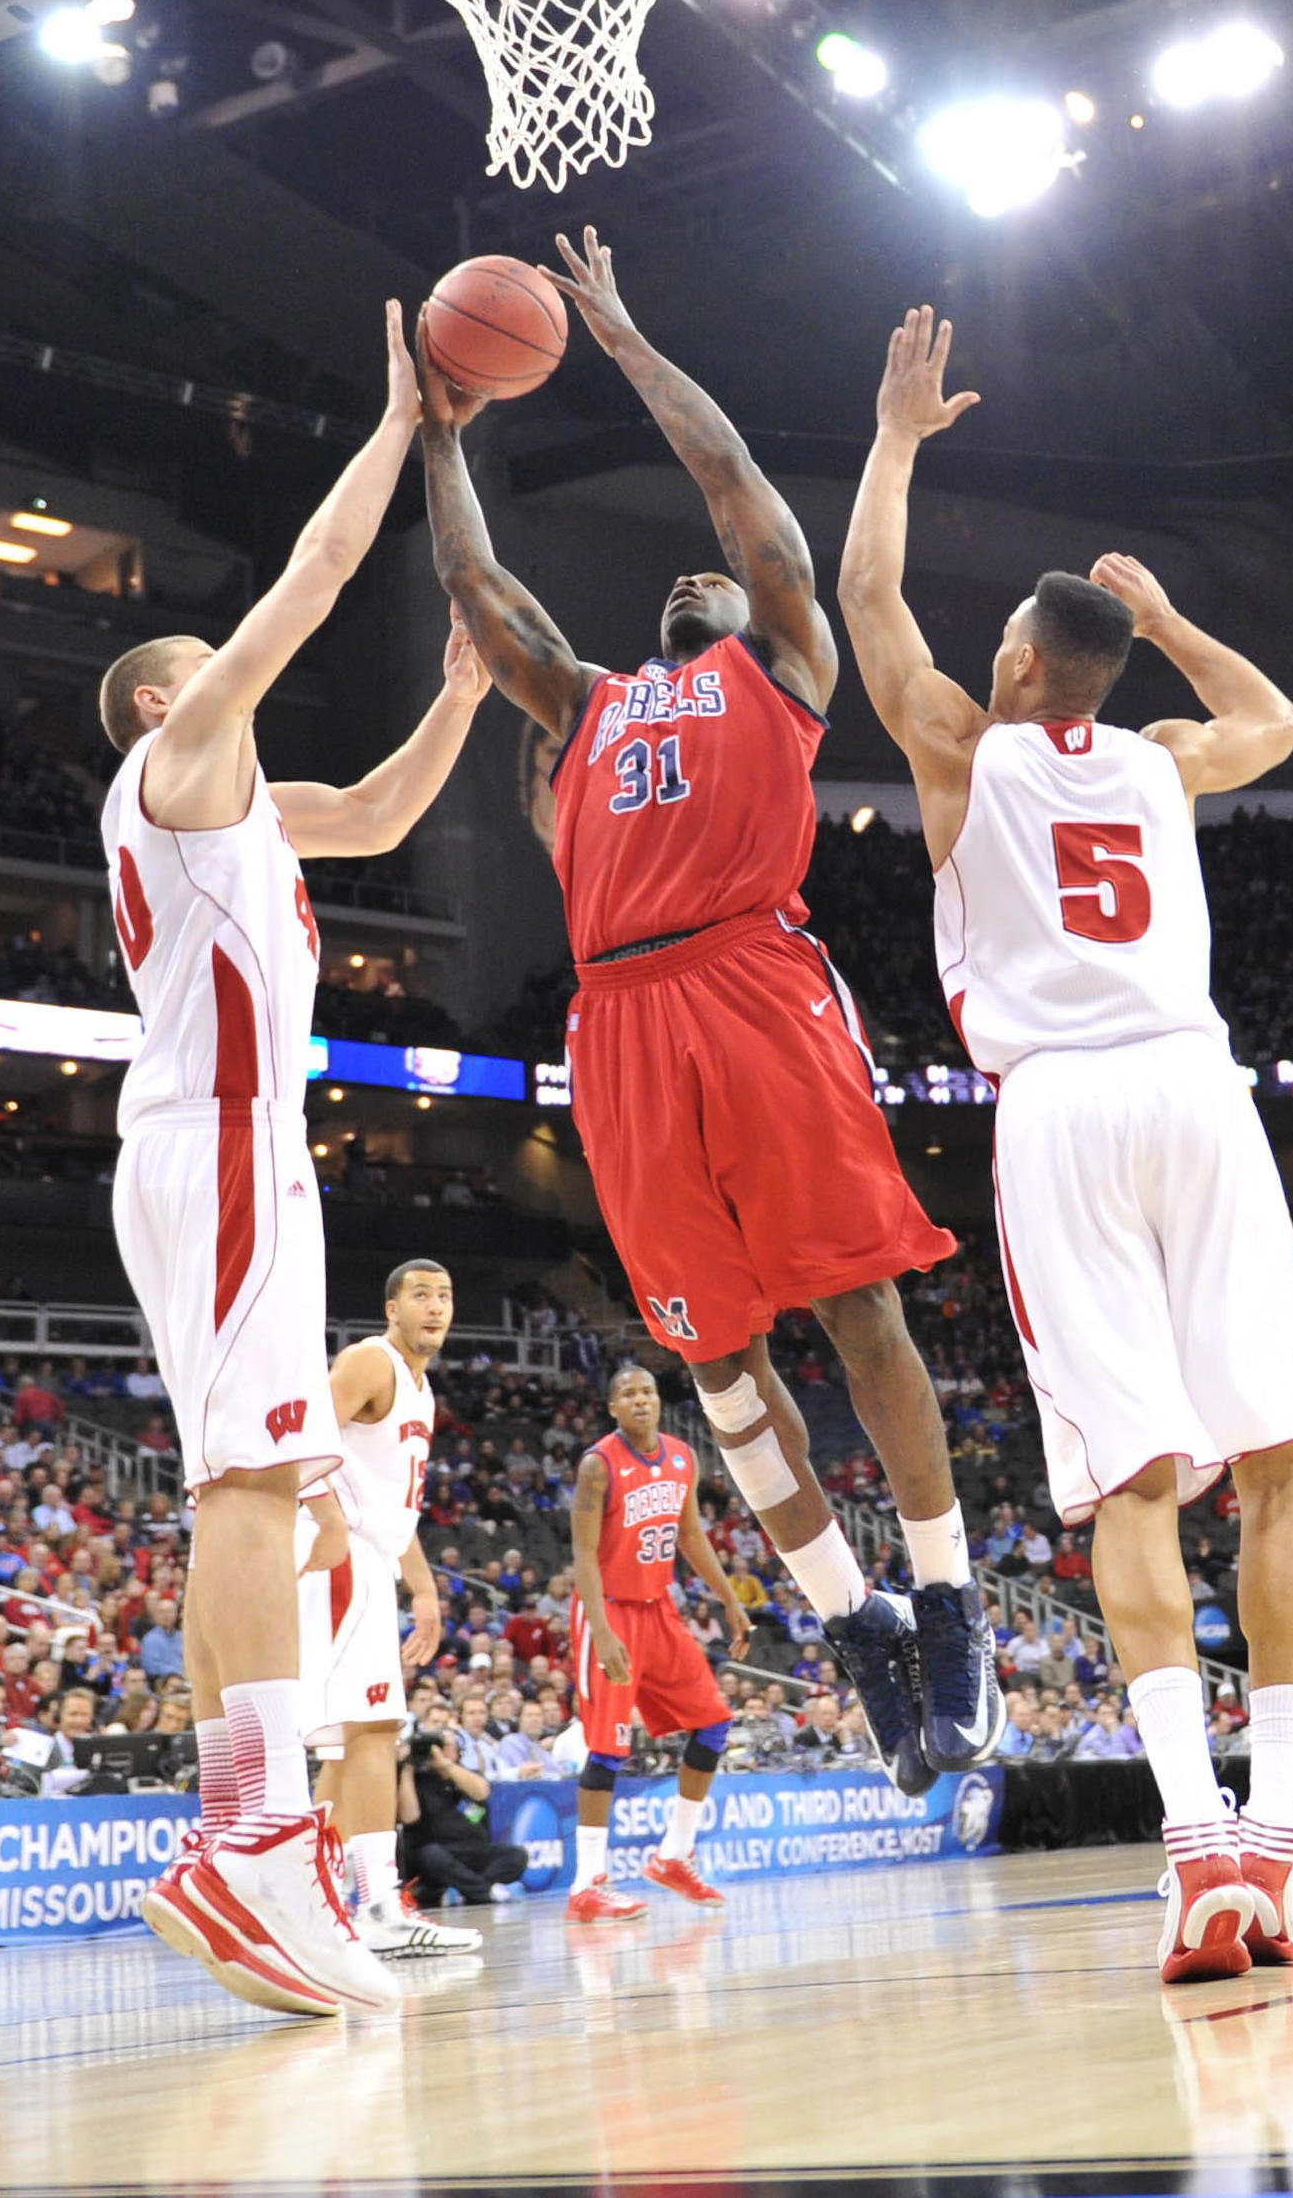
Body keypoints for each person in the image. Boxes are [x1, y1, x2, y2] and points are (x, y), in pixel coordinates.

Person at [412, 231, 977, 1781]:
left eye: (707, 575)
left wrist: (621, 340)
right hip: (619, 1021)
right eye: (676, 578)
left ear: (750, 606)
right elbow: (472, 582)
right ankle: (851, 1617)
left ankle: (946, 1599)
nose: (687, 572)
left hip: (749, 982)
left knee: (858, 1306)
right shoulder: (585, 702)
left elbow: (727, 476)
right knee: (716, 1366)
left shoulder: (783, 665)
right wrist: (440, 432)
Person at [834, 308, 1293, 1983]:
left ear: (1028, 667)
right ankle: (1273, 1840)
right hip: (1195, 1088)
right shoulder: (1164, 756)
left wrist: (894, 439)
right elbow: (1278, 720)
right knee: (1274, 1460)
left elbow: (866, 601)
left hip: (1058, 1107)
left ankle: (1194, 1849)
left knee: (1130, 1481)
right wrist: (1172, 622)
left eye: (1001, 641)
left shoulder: (960, 748)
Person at [103, 309, 484, 2025]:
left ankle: (234, 1836)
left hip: (220, 1144)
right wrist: (404, 421)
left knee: (235, 1496)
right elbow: (318, 576)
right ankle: (259, 1842)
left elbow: (385, 812)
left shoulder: (247, 808)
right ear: (165, 698)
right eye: (212, 663)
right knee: (257, 1489)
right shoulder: (179, 759)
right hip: (224, 1137)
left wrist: (462, 691)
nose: (234, 675)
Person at [300, 1261, 478, 1959]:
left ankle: (317, 1900)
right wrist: (327, 1521)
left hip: (370, 1556)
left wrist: (424, 1588)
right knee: (374, 1728)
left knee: (349, 1744)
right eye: (421, 1295)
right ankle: (375, 1905)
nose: (435, 1306)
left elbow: (393, 1509)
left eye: (445, 1295)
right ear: (391, 1308)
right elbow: (298, 1438)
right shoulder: (371, 1361)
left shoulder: (420, 1389)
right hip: (338, 1552)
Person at [560, 1363, 752, 1921]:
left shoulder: (682, 1457)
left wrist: (729, 1599)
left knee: (714, 1722)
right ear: (612, 1407)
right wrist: (601, 1631)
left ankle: (673, 1856)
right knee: (608, 1748)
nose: (640, 1399)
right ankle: (586, 1884)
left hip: (659, 1610)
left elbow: (690, 1534)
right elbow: (582, 1556)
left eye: (647, 1391)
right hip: (609, 1611)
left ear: (659, 1400)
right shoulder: (597, 1465)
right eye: (628, 1394)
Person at [398, 1715, 526, 1907]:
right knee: (431, 1855)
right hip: (435, 1852)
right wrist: (407, 1768)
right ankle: (484, 1892)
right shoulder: (417, 1780)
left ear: (459, 1750)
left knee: (516, 1855)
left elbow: (481, 1792)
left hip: (473, 1851)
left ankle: (468, 1889)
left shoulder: (468, 1774)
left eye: (448, 1745)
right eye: (439, 1746)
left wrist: (445, 1764)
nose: (442, 1750)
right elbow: (409, 1817)